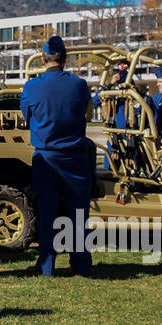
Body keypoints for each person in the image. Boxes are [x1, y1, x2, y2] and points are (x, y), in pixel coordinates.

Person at [19, 35, 94, 276]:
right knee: (78, 213)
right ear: (65, 59)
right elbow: (86, 114)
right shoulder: (79, 85)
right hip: (74, 156)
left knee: (48, 211)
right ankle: (81, 263)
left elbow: (27, 117)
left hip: (46, 157)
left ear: (43, 60)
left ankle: (47, 265)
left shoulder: (32, 86)